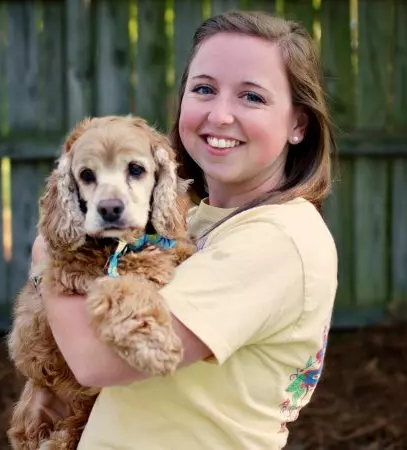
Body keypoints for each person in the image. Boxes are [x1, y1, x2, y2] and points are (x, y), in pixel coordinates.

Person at [32, 10, 338, 450]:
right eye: (204, 89)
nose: (220, 114)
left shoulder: (278, 239)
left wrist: (48, 263)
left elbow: (99, 362)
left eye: (251, 97)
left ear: (298, 124)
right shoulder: (194, 224)